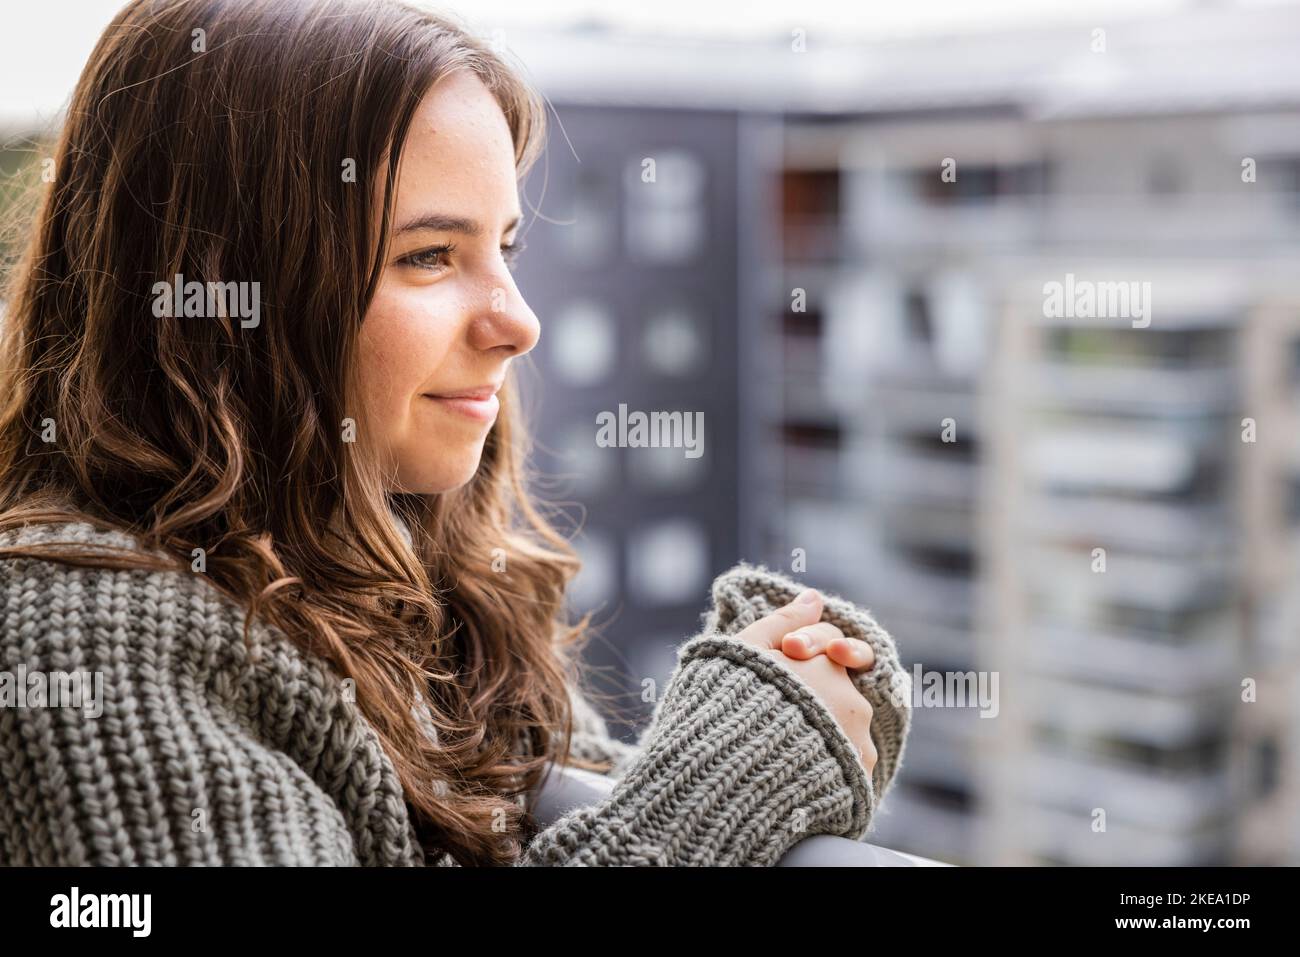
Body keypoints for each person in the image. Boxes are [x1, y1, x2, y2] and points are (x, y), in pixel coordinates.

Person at [0, 0, 910, 866]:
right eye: (428, 256)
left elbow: (613, 819)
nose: (519, 323)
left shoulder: (403, 579)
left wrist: (777, 709)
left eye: (504, 248)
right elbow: (667, 820)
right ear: (219, 300)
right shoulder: (82, 638)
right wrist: (721, 781)